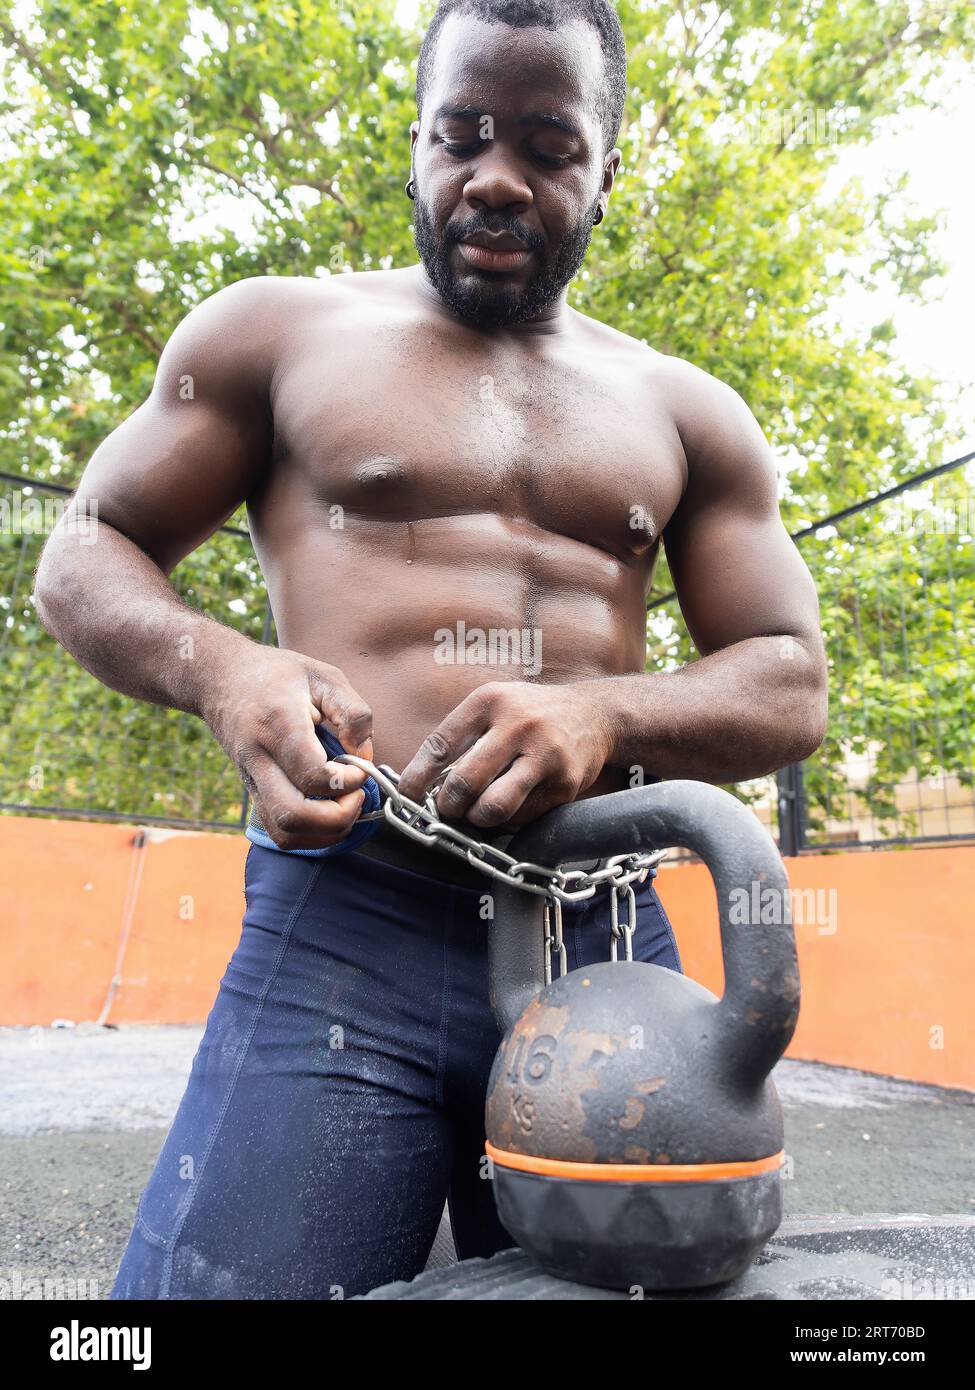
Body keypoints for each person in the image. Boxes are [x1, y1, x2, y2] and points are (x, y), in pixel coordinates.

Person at [34, 0, 827, 1299]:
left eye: (547, 144)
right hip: (350, 913)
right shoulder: (273, 334)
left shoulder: (688, 412)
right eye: (460, 134)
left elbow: (791, 675)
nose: (496, 176)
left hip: (605, 928)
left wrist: (607, 717)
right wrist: (229, 672)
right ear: (413, 144)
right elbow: (84, 551)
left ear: (605, 170)